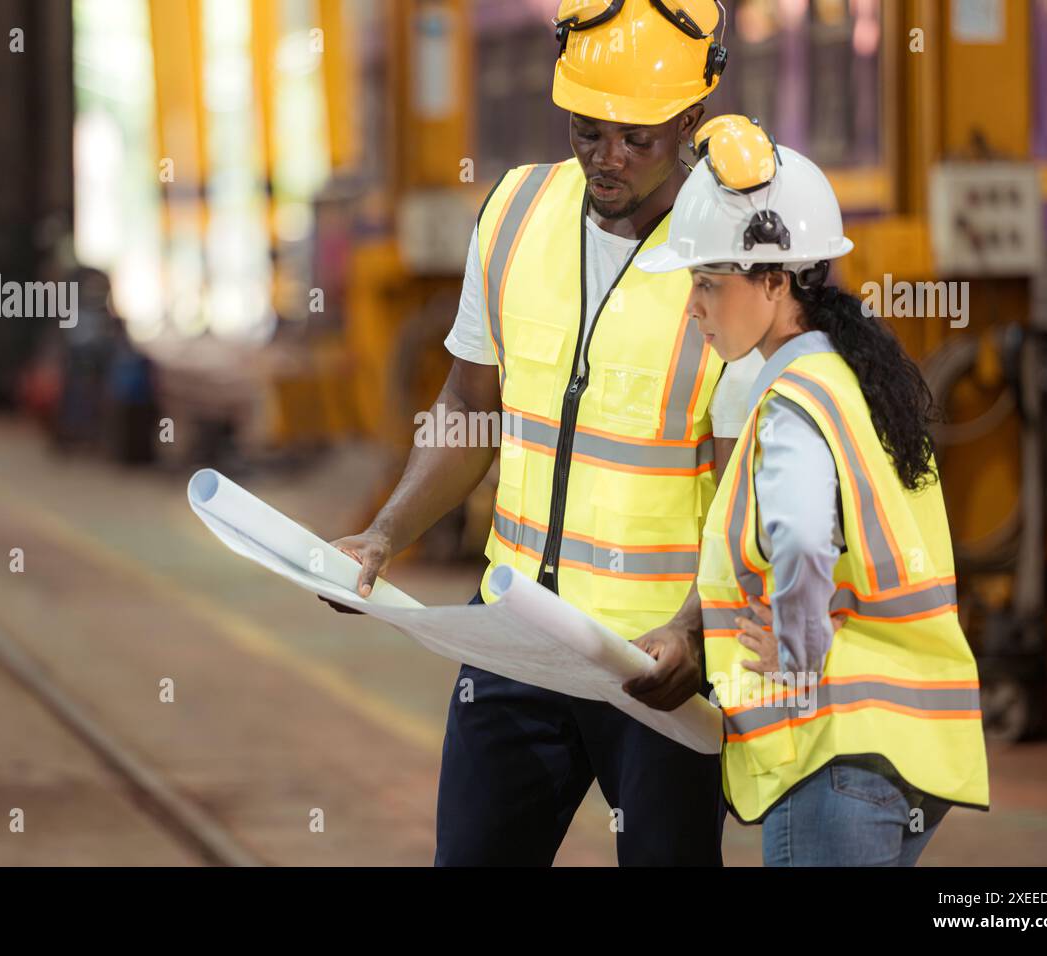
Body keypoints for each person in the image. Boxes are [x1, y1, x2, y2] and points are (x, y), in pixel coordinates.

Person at [328, 0, 763, 866]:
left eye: (634, 137)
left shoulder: (734, 257)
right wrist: (382, 537)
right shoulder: (518, 211)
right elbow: (467, 406)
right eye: (586, 126)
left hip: (658, 664)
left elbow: (752, 485)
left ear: (691, 120)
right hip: (514, 640)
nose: (606, 156)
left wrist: (699, 628)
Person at [632, 117, 991, 865]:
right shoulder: (856, 380)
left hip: (834, 748)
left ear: (773, 280)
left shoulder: (793, 400)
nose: (692, 306)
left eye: (706, 283)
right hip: (913, 747)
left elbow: (797, 535)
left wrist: (796, 657)